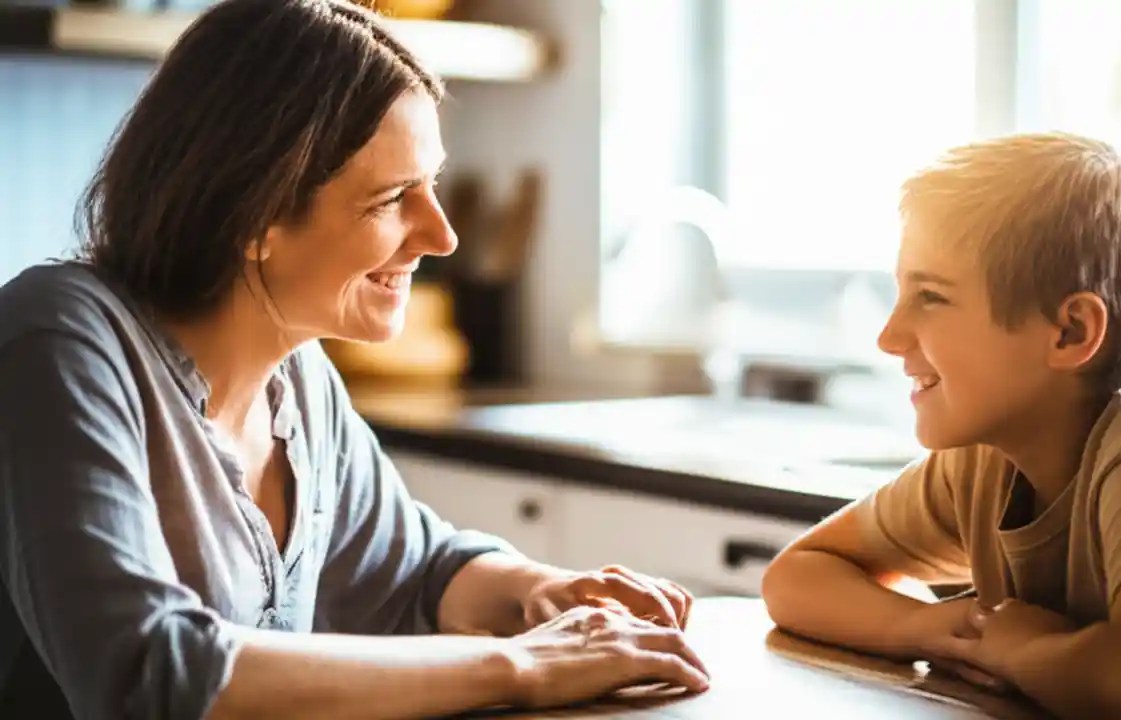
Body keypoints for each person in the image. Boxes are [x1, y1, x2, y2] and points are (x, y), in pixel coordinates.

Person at [0, 1, 710, 718]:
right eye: (397, 198)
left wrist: (539, 591)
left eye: (432, 185)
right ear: (255, 215)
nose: (442, 235)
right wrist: (519, 665)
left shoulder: (299, 376)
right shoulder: (62, 339)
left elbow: (414, 575)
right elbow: (146, 671)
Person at [762, 133, 1121, 719]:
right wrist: (930, 629)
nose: (889, 336)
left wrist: (1018, 649)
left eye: (929, 296)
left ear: (1071, 332)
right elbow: (797, 578)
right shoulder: (987, 457)